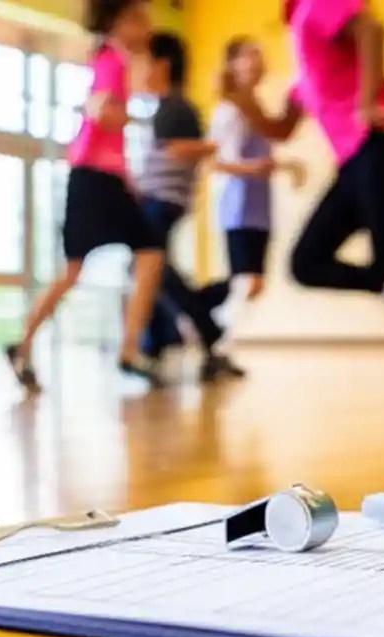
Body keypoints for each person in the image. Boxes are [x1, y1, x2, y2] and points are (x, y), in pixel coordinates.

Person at [227, 0, 384, 386]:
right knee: (307, 262)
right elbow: (280, 128)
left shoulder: (315, 6)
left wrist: (366, 103)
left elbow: (372, 31)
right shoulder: (304, 58)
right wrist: (242, 99)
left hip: (381, 142)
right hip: (355, 160)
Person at [6, 0, 162, 392]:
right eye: (139, 18)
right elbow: (99, 111)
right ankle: (127, 351)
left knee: (81, 268)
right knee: (147, 253)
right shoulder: (112, 60)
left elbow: (105, 123)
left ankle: (22, 345)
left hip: (97, 177)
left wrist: (126, 175)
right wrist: (139, 117)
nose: (147, 26)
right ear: (117, 22)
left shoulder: (113, 60)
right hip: (94, 178)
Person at [135, 31, 238, 384]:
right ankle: (162, 340)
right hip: (161, 200)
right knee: (154, 272)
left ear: (163, 65)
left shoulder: (175, 107)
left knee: (152, 272)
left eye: (145, 62)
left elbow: (189, 147)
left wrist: (199, 146)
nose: (141, 71)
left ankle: (204, 326)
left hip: (161, 201)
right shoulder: (169, 107)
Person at [201, 36, 304, 374]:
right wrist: (254, 168)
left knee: (251, 283)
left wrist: (285, 166)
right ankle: (205, 327)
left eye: (259, 55)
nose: (257, 61)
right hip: (238, 203)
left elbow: (269, 147)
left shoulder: (256, 108)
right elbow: (215, 162)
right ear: (232, 65)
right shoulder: (228, 109)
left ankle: (207, 326)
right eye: (248, 56)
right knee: (245, 281)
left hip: (260, 204)